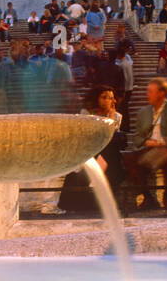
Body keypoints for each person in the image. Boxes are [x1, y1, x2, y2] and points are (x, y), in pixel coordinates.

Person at [51, 85, 127, 214]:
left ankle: (102, 203)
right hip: (89, 149)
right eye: (104, 97)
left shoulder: (117, 117)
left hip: (108, 153)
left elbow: (111, 139)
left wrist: (111, 120)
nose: (108, 101)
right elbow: (86, 136)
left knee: (110, 155)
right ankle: (77, 204)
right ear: (96, 99)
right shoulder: (86, 114)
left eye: (111, 98)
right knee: (83, 166)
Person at [124, 77, 167, 211]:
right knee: (128, 160)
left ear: (162, 93)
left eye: (150, 91)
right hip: (150, 149)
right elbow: (137, 137)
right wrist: (146, 141)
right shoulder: (143, 112)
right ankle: (148, 197)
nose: (147, 94)